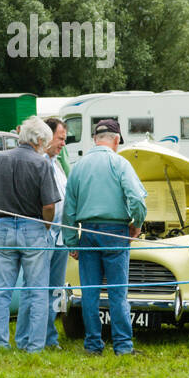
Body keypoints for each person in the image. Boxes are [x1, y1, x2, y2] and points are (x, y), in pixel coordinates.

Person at [62, 118, 148, 356]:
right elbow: (137, 200)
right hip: (115, 232)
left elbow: (68, 210)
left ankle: (92, 345)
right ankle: (122, 345)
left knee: (89, 292)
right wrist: (136, 224)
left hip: (87, 233)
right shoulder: (120, 163)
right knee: (118, 292)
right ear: (117, 139)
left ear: (94, 140)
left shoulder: (78, 166)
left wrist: (71, 241)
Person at [0, 117, 59, 353]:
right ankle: (33, 346)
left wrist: (0, 221)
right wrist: (45, 228)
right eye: (44, 142)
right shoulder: (42, 164)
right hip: (34, 227)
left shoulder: (1, 160)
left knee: (1, 292)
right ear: (38, 140)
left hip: (4, 227)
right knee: (37, 291)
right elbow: (49, 206)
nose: (44, 146)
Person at [15, 117, 69, 350]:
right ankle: (26, 337)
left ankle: (49, 336)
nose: (63, 144)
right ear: (45, 137)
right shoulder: (37, 163)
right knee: (34, 290)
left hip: (60, 237)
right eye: (60, 139)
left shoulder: (57, 164)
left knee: (55, 291)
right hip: (43, 234)